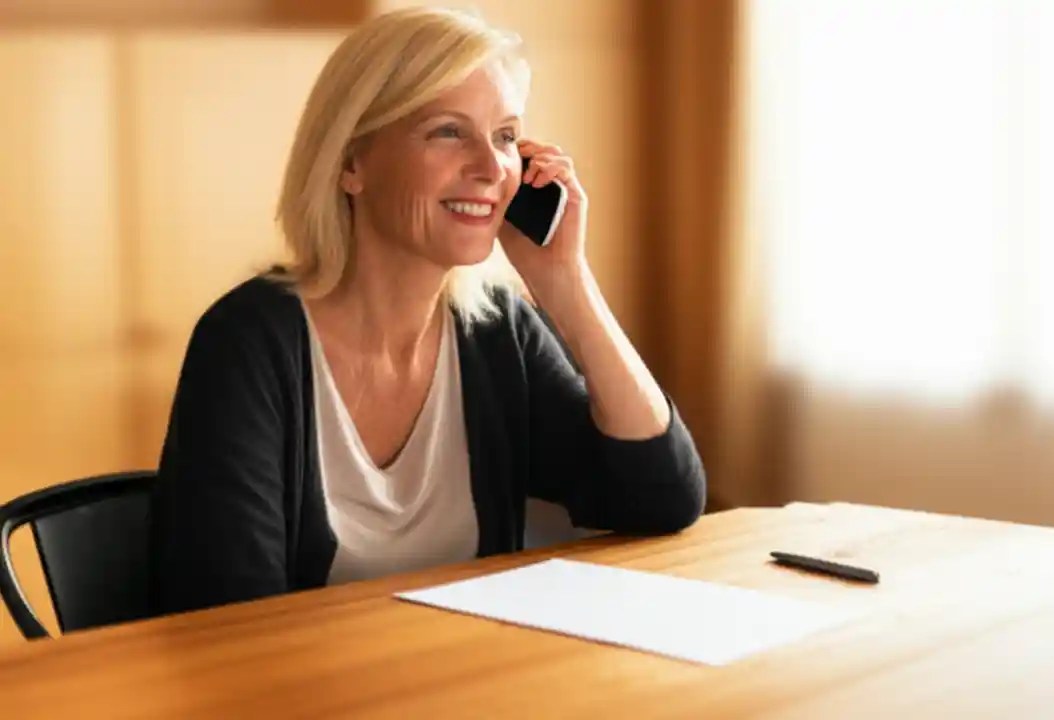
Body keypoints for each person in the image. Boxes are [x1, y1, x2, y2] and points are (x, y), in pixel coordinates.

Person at [147, 7, 706, 617]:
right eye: (448, 132)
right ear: (351, 163)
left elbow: (662, 497)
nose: (492, 168)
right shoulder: (248, 343)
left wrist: (567, 284)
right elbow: (231, 619)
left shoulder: (497, 331)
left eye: (505, 136)